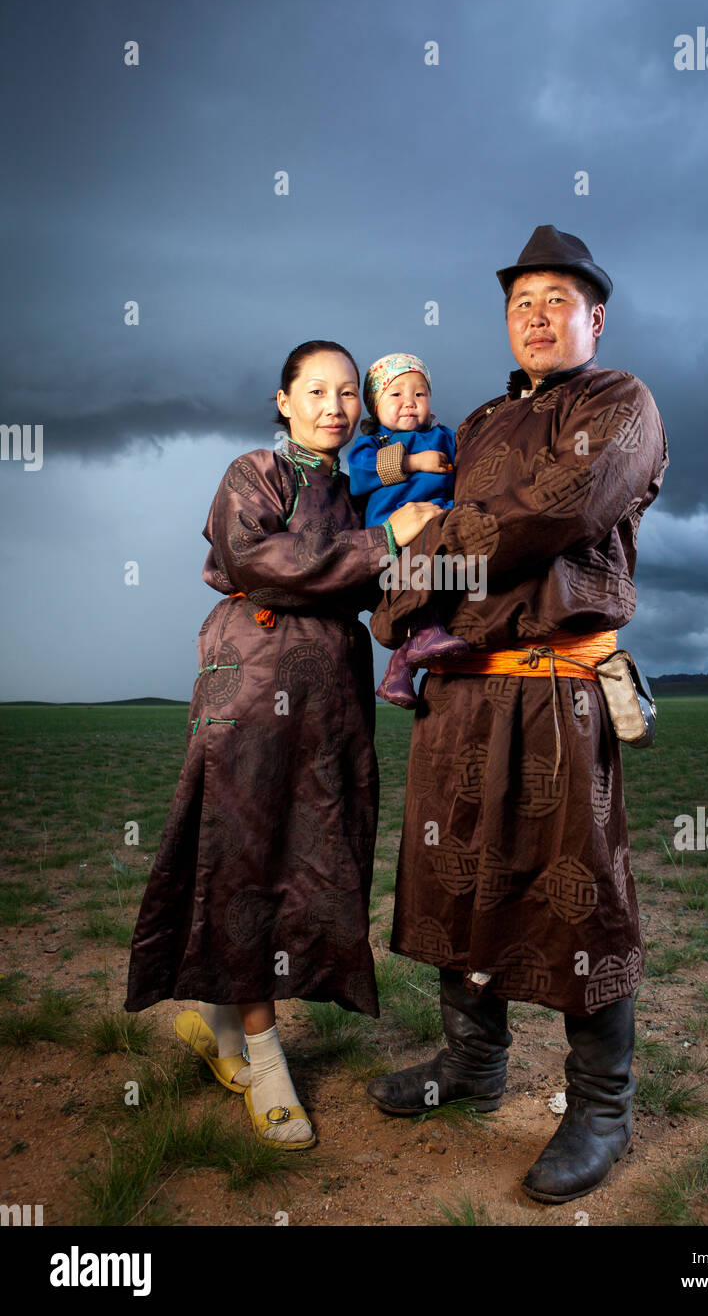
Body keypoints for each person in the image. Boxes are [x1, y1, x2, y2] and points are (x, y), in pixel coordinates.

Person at [366, 225, 670, 1202]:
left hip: (554, 687)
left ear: (594, 316)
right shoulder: (481, 420)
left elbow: (552, 510)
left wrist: (409, 569)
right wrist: (413, 578)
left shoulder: (619, 405)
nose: (536, 316)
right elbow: (445, 532)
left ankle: (599, 1107)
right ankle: (470, 1065)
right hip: (457, 690)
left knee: (578, 891)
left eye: (556, 299)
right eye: (519, 301)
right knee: (457, 881)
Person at [124, 340, 441, 1150]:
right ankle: (265, 1060)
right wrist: (385, 543)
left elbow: (385, 591)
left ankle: (222, 1026)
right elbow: (252, 558)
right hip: (250, 686)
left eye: (347, 394)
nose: (335, 407)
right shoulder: (255, 471)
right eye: (317, 391)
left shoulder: (370, 488)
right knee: (241, 855)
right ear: (284, 400)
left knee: (310, 855)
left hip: (333, 695)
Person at [346, 352, 468, 708]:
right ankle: (427, 635)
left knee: (445, 584)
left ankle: (397, 675)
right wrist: (413, 462)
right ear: (374, 406)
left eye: (419, 393)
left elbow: (464, 471)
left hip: (441, 518)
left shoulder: (445, 436)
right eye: (396, 394)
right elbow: (360, 477)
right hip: (396, 530)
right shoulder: (374, 443)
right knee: (421, 583)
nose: (409, 403)